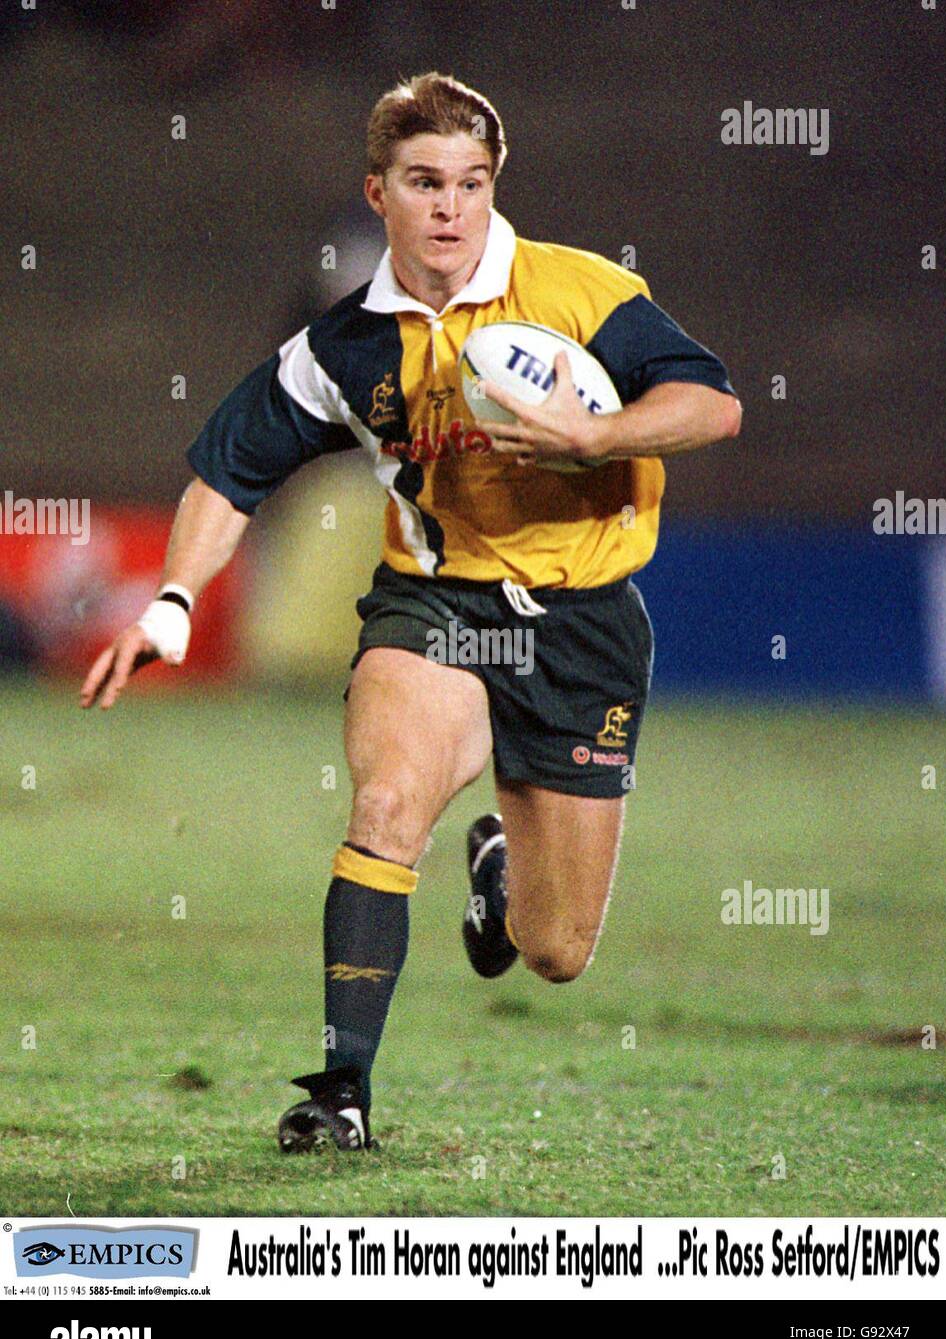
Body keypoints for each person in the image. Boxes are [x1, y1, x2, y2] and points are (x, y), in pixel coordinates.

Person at [80, 71, 741, 1153]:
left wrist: (594, 437)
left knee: (557, 948)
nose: (449, 207)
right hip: (436, 603)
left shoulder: (579, 296)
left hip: (581, 622)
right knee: (388, 804)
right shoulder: (347, 346)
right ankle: (339, 1092)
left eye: (471, 183)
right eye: (424, 182)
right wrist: (172, 602)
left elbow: (713, 404)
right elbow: (227, 471)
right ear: (377, 191)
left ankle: (499, 874)